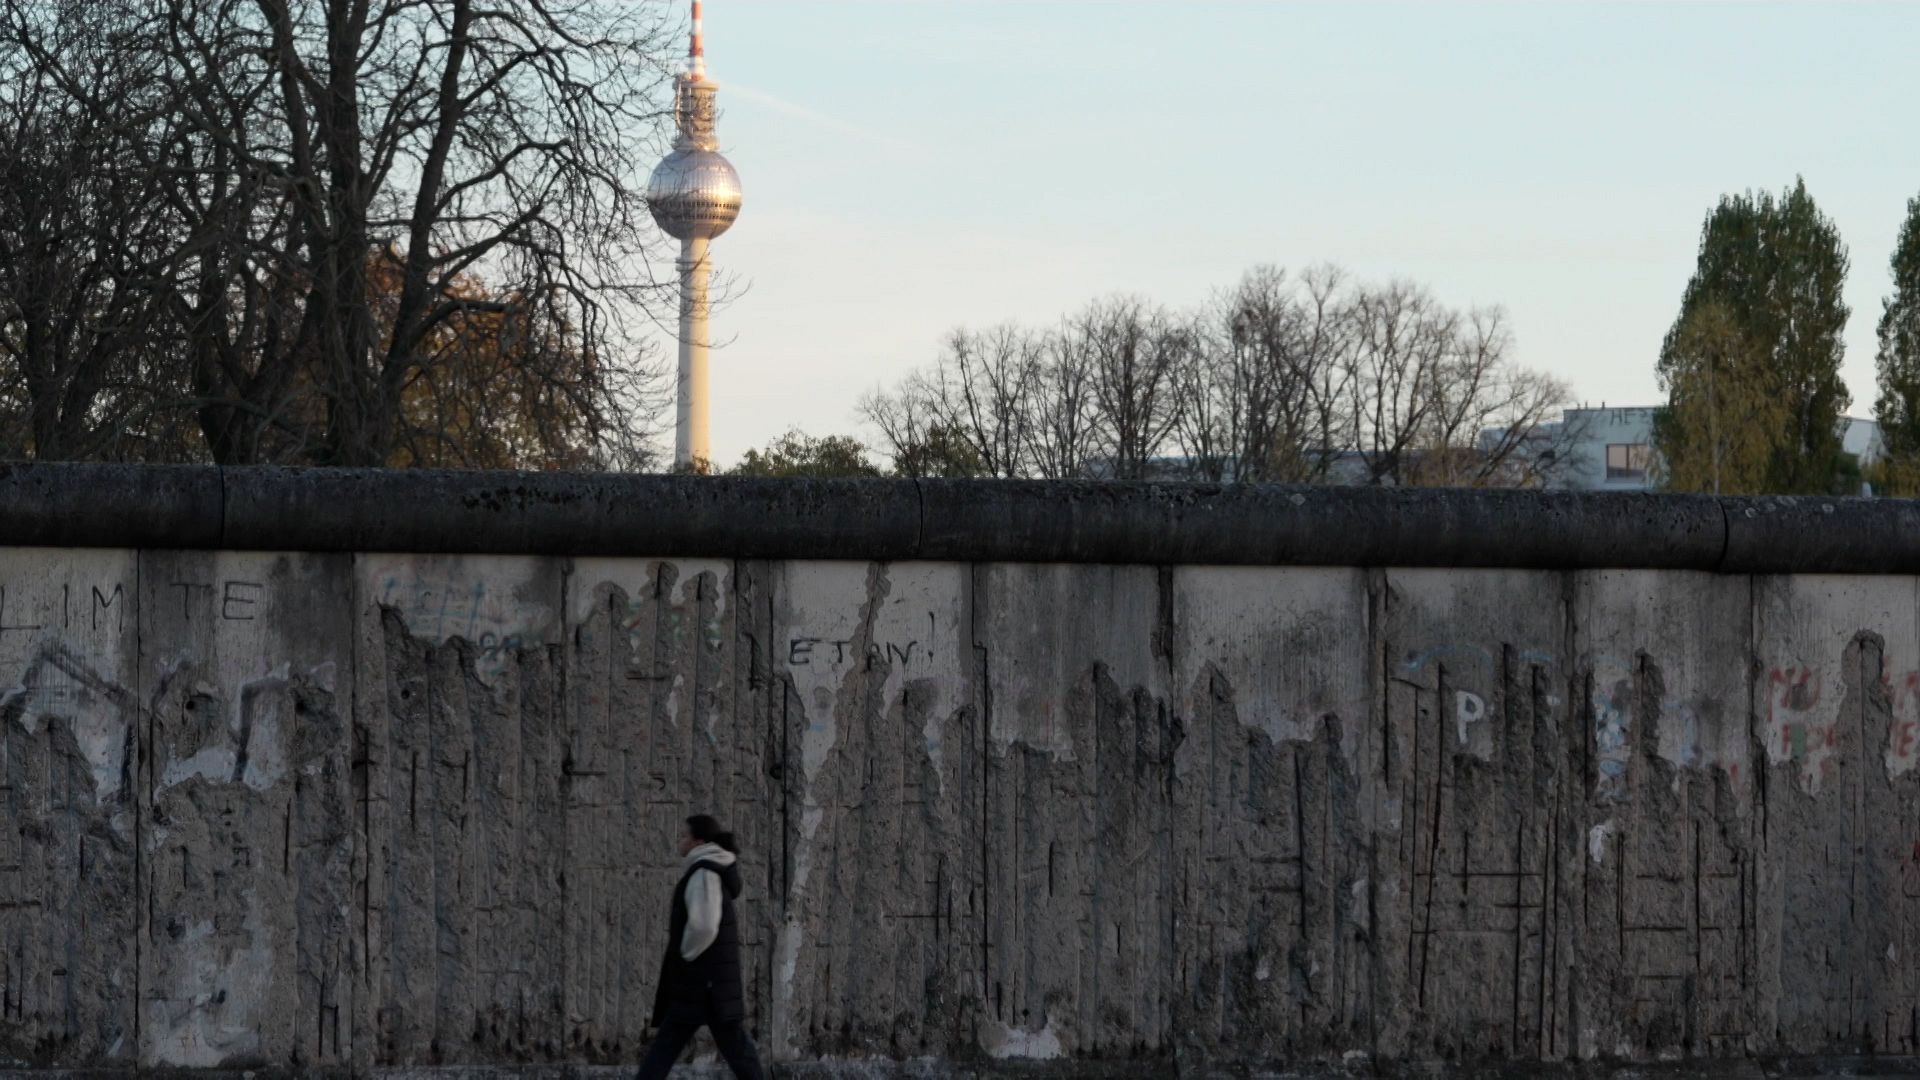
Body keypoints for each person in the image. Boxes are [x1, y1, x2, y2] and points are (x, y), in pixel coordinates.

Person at [636, 814, 768, 1080]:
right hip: (710, 982)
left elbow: (704, 926)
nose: (680, 841)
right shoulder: (709, 868)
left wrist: (685, 955)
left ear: (698, 841)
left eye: (684, 836)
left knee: (669, 1044)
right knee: (731, 1046)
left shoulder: (705, 872)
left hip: (703, 981)